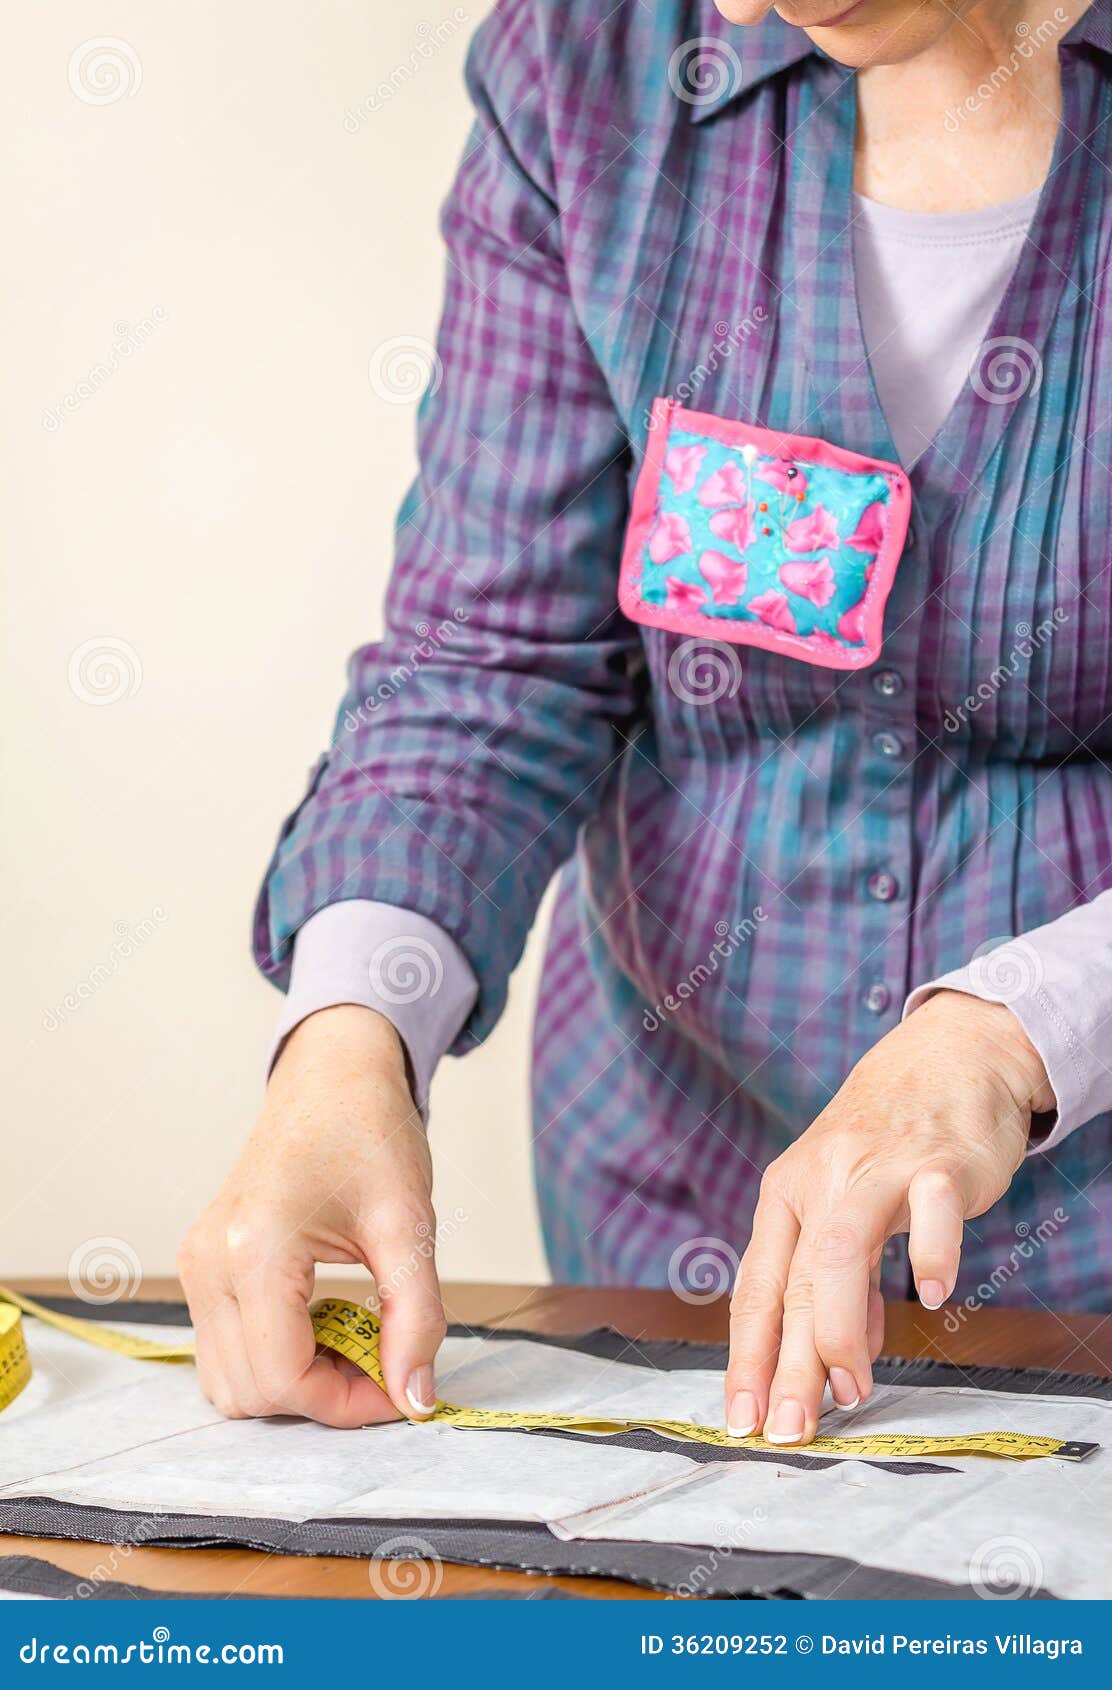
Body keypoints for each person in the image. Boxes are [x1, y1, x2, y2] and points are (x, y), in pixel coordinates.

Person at [180, 0, 1112, 1446]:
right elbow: (493, 663)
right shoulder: (588, 68)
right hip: (674, 1240)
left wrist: (1022, 1033)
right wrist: (349, 1036)